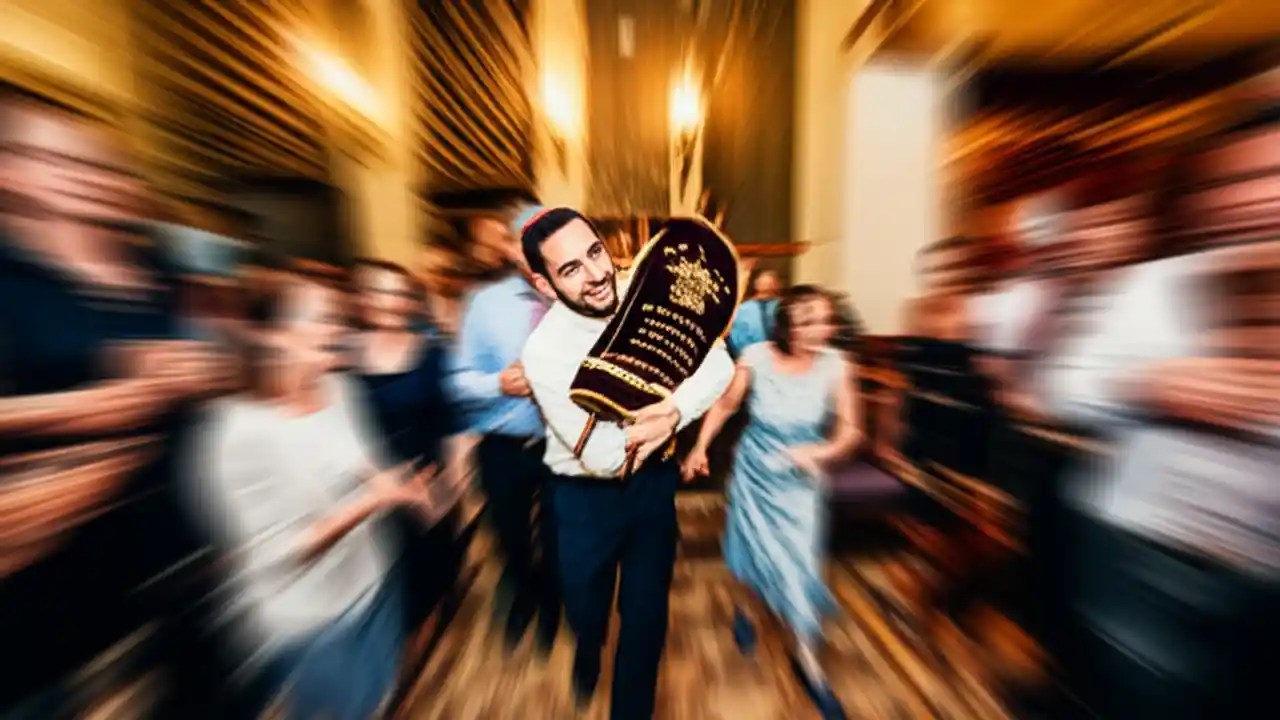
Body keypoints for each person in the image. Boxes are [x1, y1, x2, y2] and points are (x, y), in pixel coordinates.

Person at [0, 84, 231, 716]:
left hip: (176, 555)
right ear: (7, 168)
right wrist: (114, 404)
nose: (89, 179)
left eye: (100, 165)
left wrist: (199, 370)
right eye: (59, 160)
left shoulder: (152, 264)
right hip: (49, 609)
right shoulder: (11, 284)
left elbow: (213, 365)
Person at [188, 265, 466, 719]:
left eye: (335, 316)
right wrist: (376, 501)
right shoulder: (234, 431)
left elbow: (362, 456)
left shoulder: (338, 387)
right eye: (319, 318)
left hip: (372, 579)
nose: (336, 329)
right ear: (273, 335)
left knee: (382, 690)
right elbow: (273, 551)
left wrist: (405, 488)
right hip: (310, 616)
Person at [519, 207, 734, 719]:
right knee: (586, 610)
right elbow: (597, 453)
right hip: (582, 498)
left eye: (594, 252)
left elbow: (719, 363)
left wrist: (676, 410)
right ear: (544, 284)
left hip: (653, 487)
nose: (596, 274)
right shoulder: (543, 352)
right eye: (570, 269)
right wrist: (664, 415)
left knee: (645, 617)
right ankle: (587, 653)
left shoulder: (645, 290)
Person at [683, 285, 860, 720]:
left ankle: (808, 663)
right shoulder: (757, 357)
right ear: (786, 327)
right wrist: (699, 447)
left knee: (800, 564)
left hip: (801, 482)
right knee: (751, 551)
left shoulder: (838, 364)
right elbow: (726, 406)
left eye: (825, 320)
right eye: (809, 322)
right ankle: (745, 608)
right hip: (755, 473)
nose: (822, 330)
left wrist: (818, 453)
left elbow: (851, 431)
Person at [447, 199, 562, 652]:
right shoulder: (482, 305)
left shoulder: (581, 302)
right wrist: (498, 383)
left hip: (565, 445)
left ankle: (554, 602)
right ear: (512, 248)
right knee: (510, 536)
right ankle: (523, 595)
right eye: (527, 239)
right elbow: (458, 381)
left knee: (560, 535)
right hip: (503, 445)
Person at [351, 259, 469, 638]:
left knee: (434, 566)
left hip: (429, 476)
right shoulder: (343, 357)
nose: (388, 301)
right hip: (369, 483)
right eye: (377, 291)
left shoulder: (433, 353)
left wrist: (455, 479)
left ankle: (433, 618)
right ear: (363, 298)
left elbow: (453, 421)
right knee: (385, 574)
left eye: (397, 293)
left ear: (408, 301)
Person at [727, 268, 782, 356]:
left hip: (780, 359)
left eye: (770, 282)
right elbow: (736, 336)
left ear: (777, 284)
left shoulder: (782, 306)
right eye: (763, 282)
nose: (767, 285)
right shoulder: (743, 309)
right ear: (756, 284)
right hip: (749, 356)